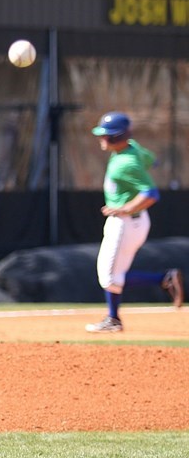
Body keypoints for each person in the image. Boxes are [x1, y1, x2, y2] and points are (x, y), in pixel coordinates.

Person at [84, 111, 183, 333]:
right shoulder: (132, 149)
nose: (101, 139)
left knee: (109, 276)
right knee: (114, 274)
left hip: (125, 222)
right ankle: (116, 316)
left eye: (105, 135)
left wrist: (125, 208)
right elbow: (152, 160)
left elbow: (151, 193)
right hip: (135, 222)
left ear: (116, 137)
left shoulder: (126, 162)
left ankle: (160, 281)